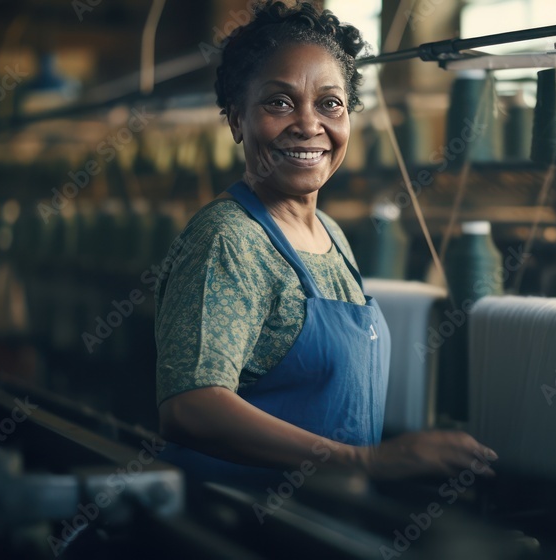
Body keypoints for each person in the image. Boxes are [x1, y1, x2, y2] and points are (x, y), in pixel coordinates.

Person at [154, 0, 496, 491]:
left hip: (322, 517)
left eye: (329, 103)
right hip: (240, 526)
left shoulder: (332, 236)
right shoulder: (229, 239)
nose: (309, 124)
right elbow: (190, 407)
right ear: (236, 121)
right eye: (279, 102)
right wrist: (365, 462)